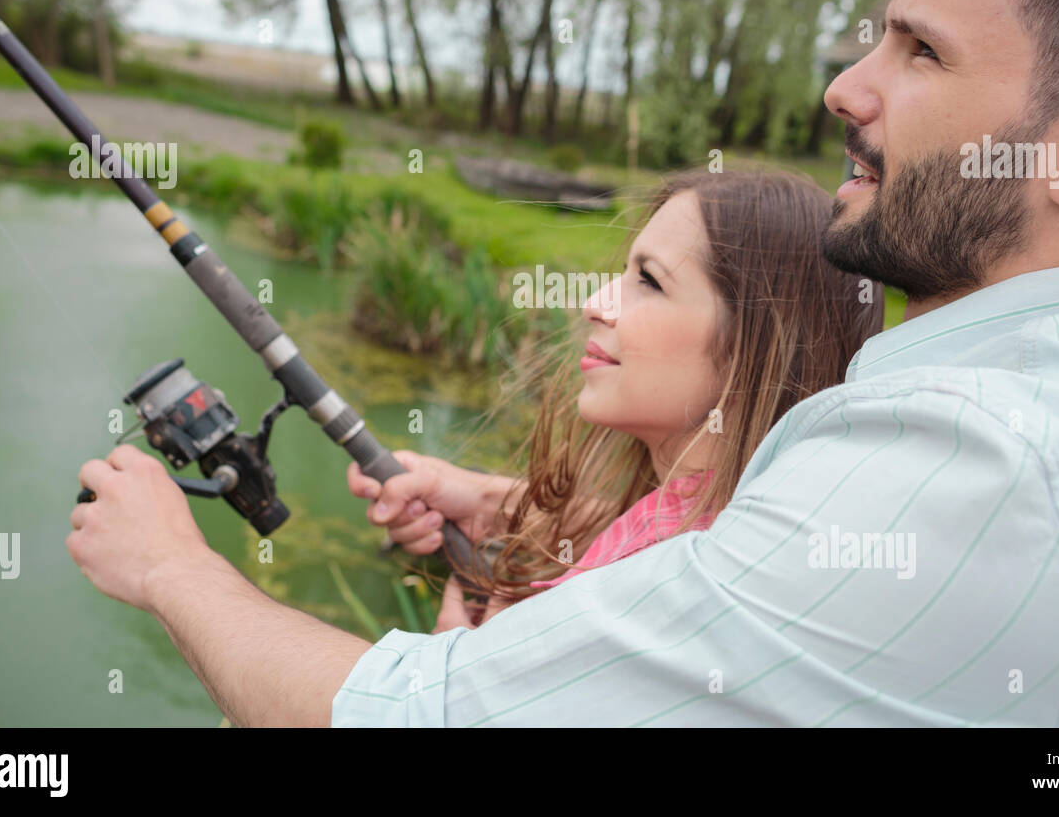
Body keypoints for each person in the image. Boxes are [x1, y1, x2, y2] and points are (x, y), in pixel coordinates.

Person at [68, 0, 1059, 727]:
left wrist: (170, 565)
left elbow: (418, 716)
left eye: (920, 53)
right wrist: (498, 499)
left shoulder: (965, 464)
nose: (843, 88)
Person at [345, 170, 883, 632]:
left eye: (649, 280)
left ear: (758, 341)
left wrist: (461, 672)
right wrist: (486, 500)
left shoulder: (657, 590)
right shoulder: (749, 531)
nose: (594, 304)